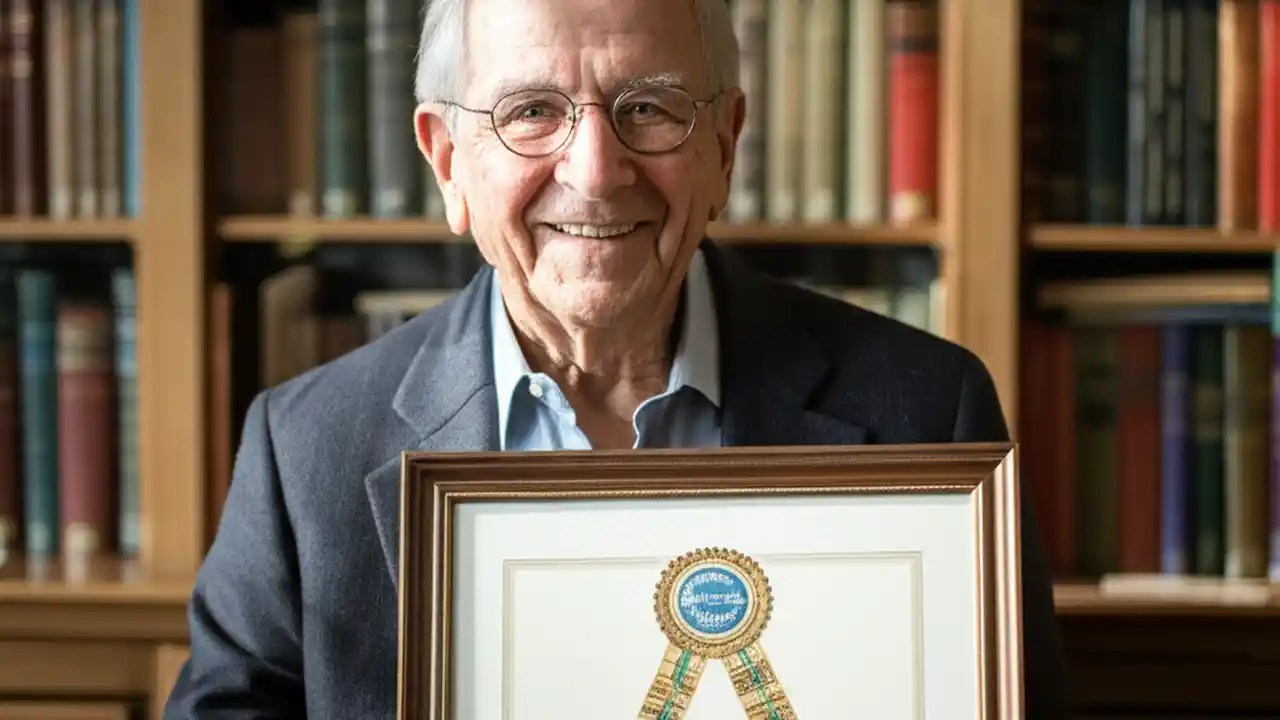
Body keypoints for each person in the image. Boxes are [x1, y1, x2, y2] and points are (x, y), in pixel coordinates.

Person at [164, 0, 1070, 716]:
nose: (595, 170)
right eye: (530, 112)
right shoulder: (305, 450)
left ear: (724, 145)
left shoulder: (928, 412)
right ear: (449, 164)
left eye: (649, 107)